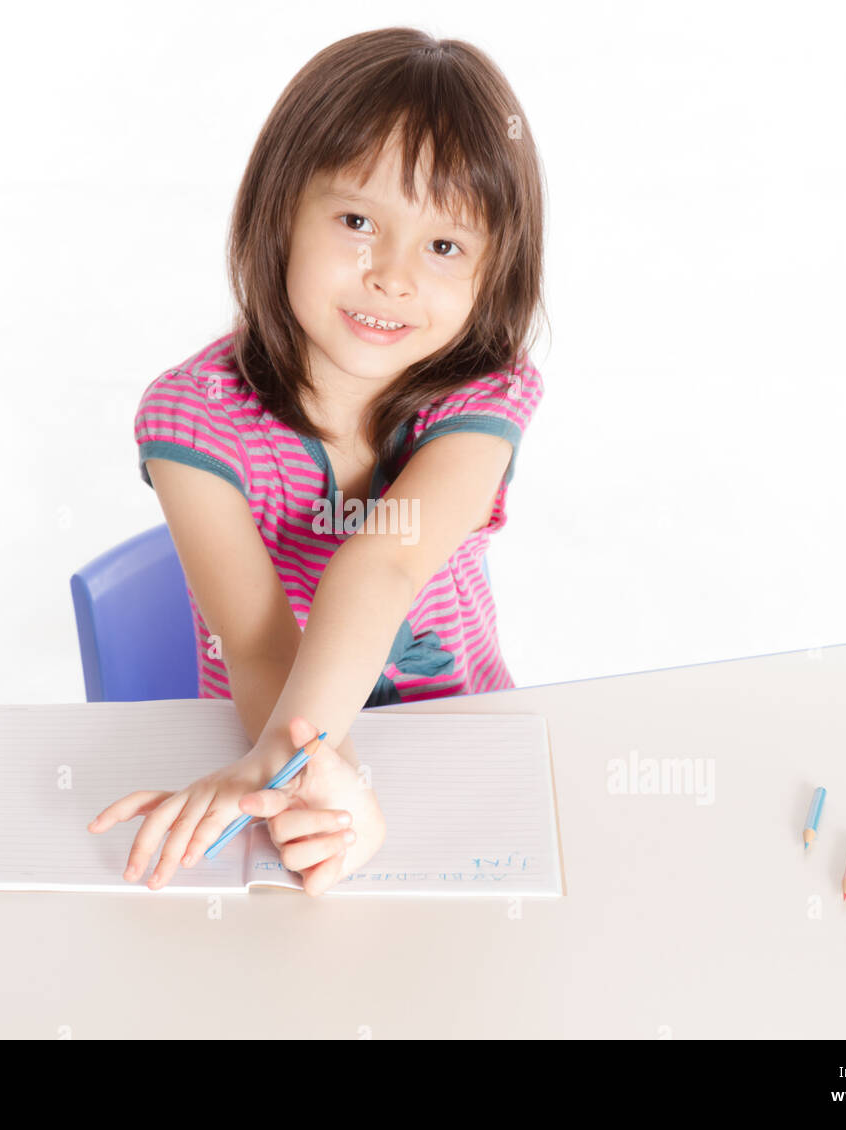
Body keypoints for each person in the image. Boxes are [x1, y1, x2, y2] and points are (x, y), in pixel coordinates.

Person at [89, 27, 548, 895]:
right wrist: (312, 785)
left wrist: (331, 787)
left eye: (444, 246)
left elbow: (388, 558)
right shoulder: (195, 420)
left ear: (493, 273)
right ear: (279, 214)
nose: (393, 275)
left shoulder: (483, 395)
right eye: (356, 221)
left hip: (462, 749)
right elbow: (260, 647)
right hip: (272, 736)